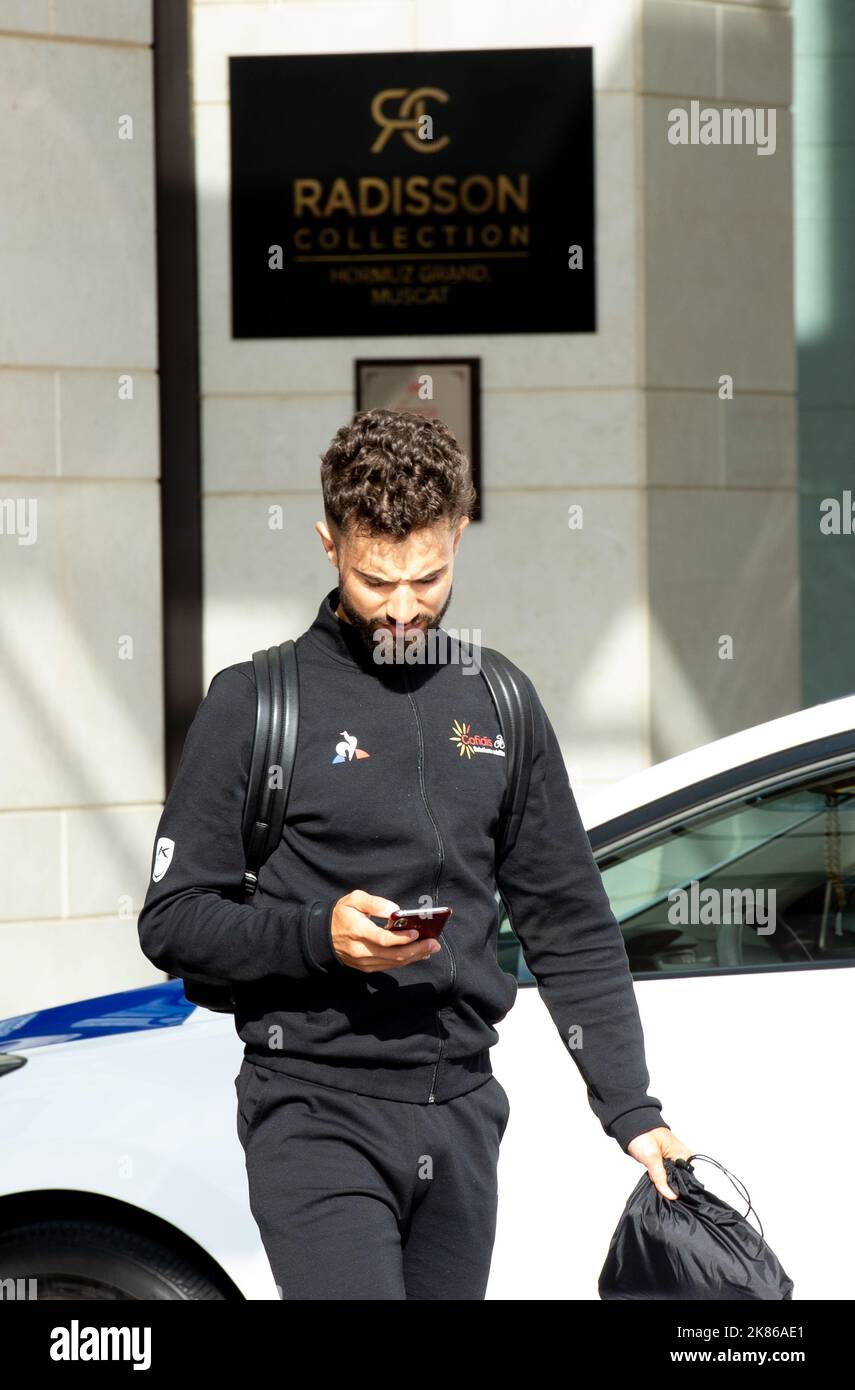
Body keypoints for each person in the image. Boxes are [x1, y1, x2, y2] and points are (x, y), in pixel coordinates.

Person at [137, 407, 690, 1300]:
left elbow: (568, 920)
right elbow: (172, 921)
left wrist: (630, 1107)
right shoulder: (252, 704)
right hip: (310, 1110)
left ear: (459, 536)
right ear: (328, 545)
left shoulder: (500, 698)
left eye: (427, 578)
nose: (401, 606)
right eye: (373, 580)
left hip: (462, 1113)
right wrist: (319, 935)